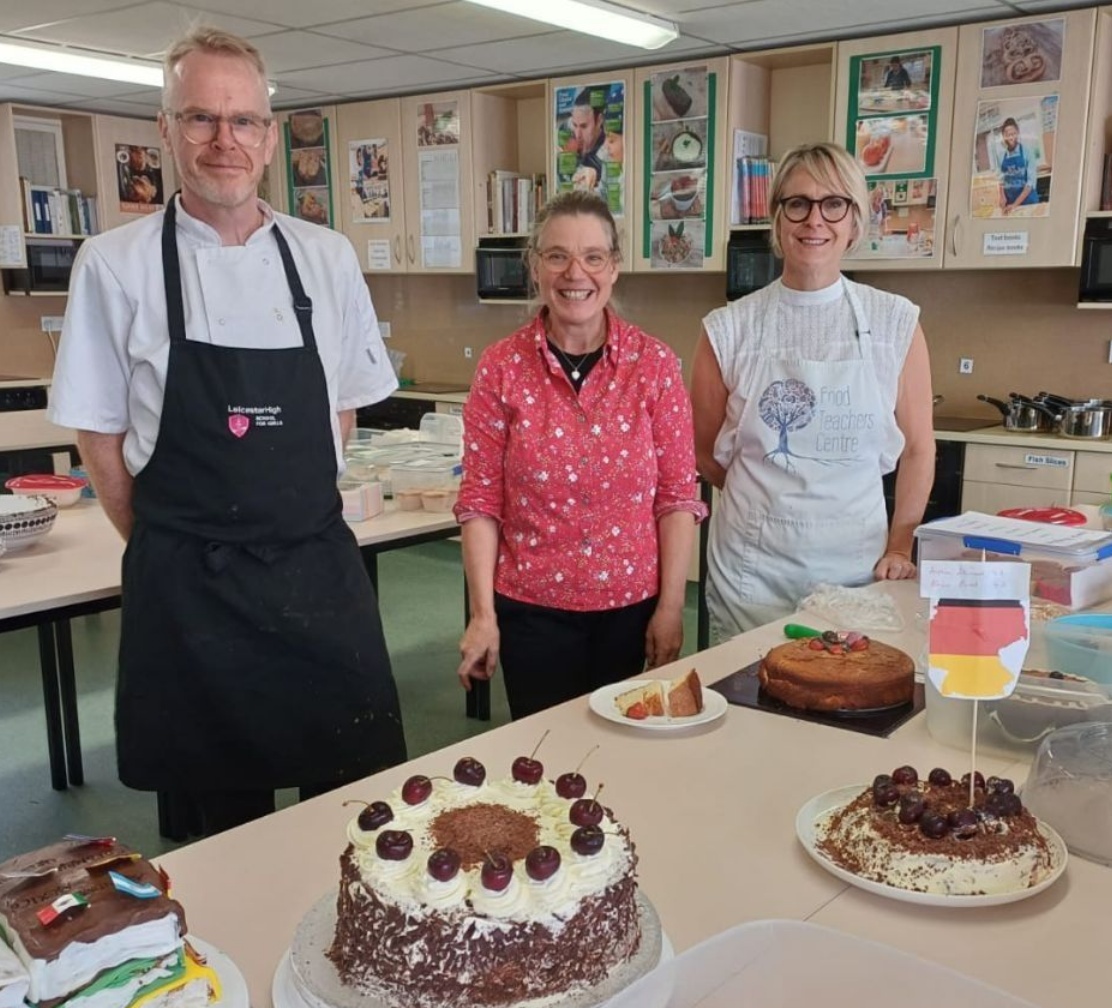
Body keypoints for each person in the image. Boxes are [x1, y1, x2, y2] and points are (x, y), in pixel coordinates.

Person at [47, 27, 406, 839]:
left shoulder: (326, 257)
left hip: (315, 572)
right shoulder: (115, 264)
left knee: (347, 820)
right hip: (192, 592)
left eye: (243, 120)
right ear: (166, 130)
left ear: (271, 137)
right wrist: (170, 537)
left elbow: (340, 407)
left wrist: (284, 510)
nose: (224, 141)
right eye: (201, 118)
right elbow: (98, 432)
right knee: (222, 833)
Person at [455, 191, 706, 719]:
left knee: (626, 761)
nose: (576, 273)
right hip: (531, 610)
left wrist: (671, 607)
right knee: (546, 762)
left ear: (614, 268)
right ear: (535, 266)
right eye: (557, 255)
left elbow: (678, 497)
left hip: (632, 609)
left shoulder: (654, 365)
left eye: (593, 256)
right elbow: (480, 500)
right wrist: (483, 615)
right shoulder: (501, 368)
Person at [690, 142, 935, 642]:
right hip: (752, 575)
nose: (814, 221)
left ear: (854, 219)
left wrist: (900, 545)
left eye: (833, 204)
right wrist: (767, 505)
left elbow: (918, 449)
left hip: (858, 570)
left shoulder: (895, 323)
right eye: (797, 203)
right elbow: (699, 451)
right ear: (778, 219)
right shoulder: (728, 329)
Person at [568, 90, 609, 192]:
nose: (578, 135)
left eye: (584, 126)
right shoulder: (567, 135)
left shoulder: (609, 151)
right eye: (575, 125)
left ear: (599, 121)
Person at [998, 117, 1039, 212]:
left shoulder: (1027, 152)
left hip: (1028, 202)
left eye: (1013, 134)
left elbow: (1030, 183)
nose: (1011, 138)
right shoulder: (1001, 156)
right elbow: (1001, 179)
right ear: (1003, 136)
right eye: (1007, 135)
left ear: (1018, 133)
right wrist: (1002, 196)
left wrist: (1015, 205)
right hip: (1010, 204)